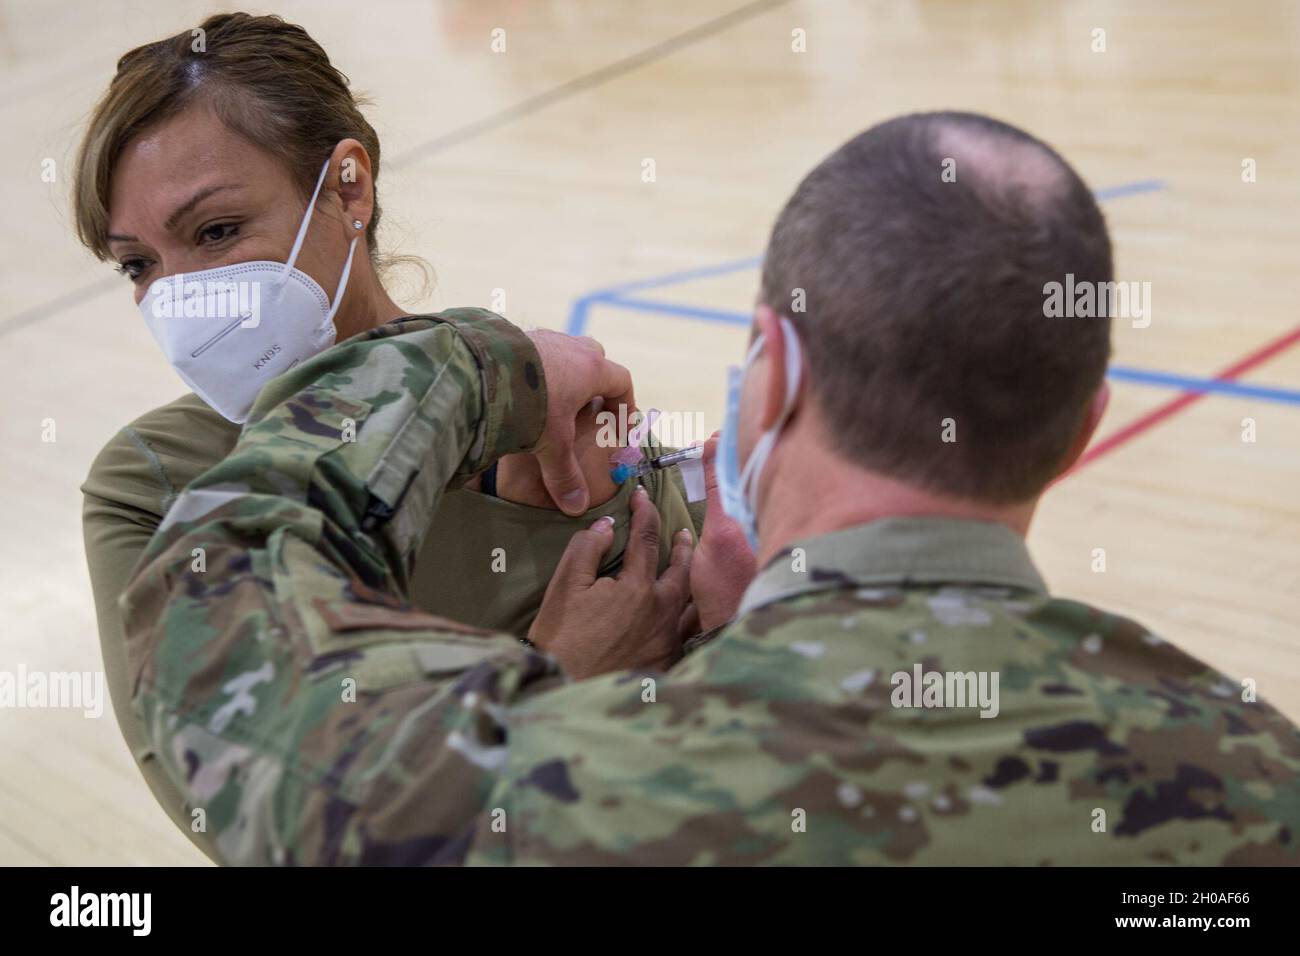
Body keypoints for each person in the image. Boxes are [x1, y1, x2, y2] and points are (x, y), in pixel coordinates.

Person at [122, 111, 1300, 866]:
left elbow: (209, 631)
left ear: (771, 370)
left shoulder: (552, 790)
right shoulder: (1259, 779)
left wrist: (478, 363)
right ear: (1081, 431)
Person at [74, 12, 701, 862]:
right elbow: (243, 818)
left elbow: (699, 743)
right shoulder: (147, 484)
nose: (180, 296)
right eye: (138, 264)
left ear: (348, 188)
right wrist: (550, 678)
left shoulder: (554, 415)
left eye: (217, 232)